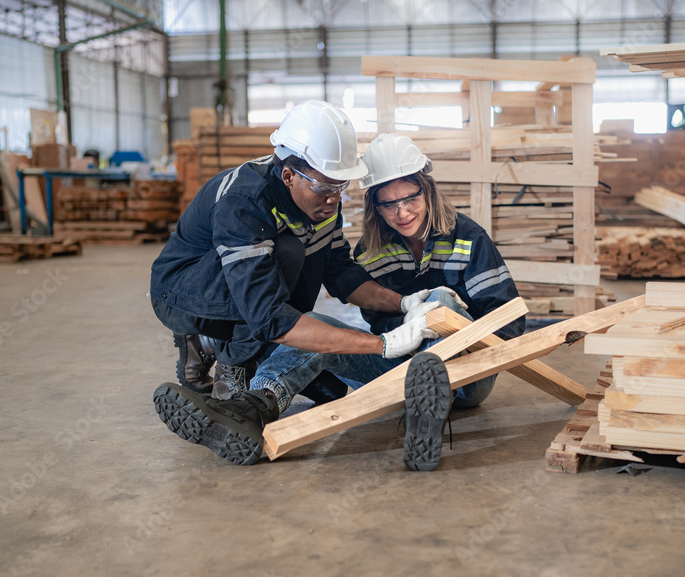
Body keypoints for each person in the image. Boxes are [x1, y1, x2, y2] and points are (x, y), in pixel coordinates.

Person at [149, 101, 443, 466]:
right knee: (287, 253)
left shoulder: (322, 200)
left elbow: (341, 275)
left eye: (341, 185)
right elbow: (268, 315)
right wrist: (380, 344)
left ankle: (233, 349)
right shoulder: (245, 202)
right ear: (289, 175)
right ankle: (229, 362)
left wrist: (402, 304)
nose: (335, 198)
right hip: (183, 291)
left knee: (328, 383)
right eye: (325, 187)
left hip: (244, 294)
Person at [354, 133, 525, 416]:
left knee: (438, 302)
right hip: (403, 367)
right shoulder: (369, 252)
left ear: (428, 191)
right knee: (319, 327)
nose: (402, 213)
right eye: (388, 204)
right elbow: (376, 321)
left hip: (468, 376)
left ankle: (430, 398)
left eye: (410, 199)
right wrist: (408, 323)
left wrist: (464, 344)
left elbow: (508, 317)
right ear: (376, 207)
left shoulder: (469, 238)